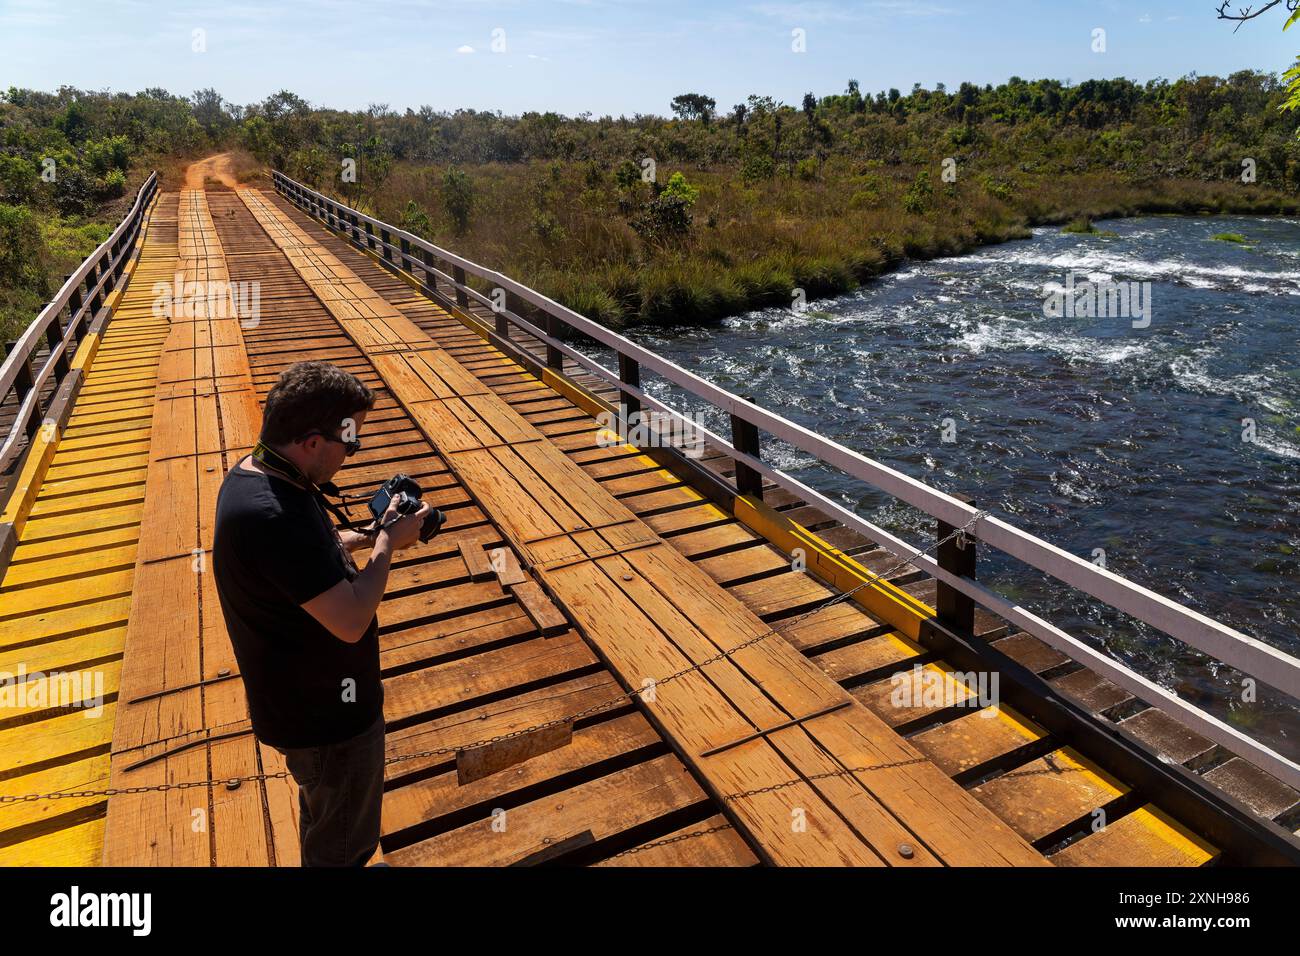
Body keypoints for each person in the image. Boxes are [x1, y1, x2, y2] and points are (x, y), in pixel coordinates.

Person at [212, 360, 432, 867]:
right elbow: (351, 620)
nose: (352, 453)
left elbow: (304, 560)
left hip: (301, 710)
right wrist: (386, 543)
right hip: (329, 723)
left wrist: (355, 535)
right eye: (349, 441)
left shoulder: (259, 473)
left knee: (324, 818)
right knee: (344, 848)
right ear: (312, 442)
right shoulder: (274, 517)